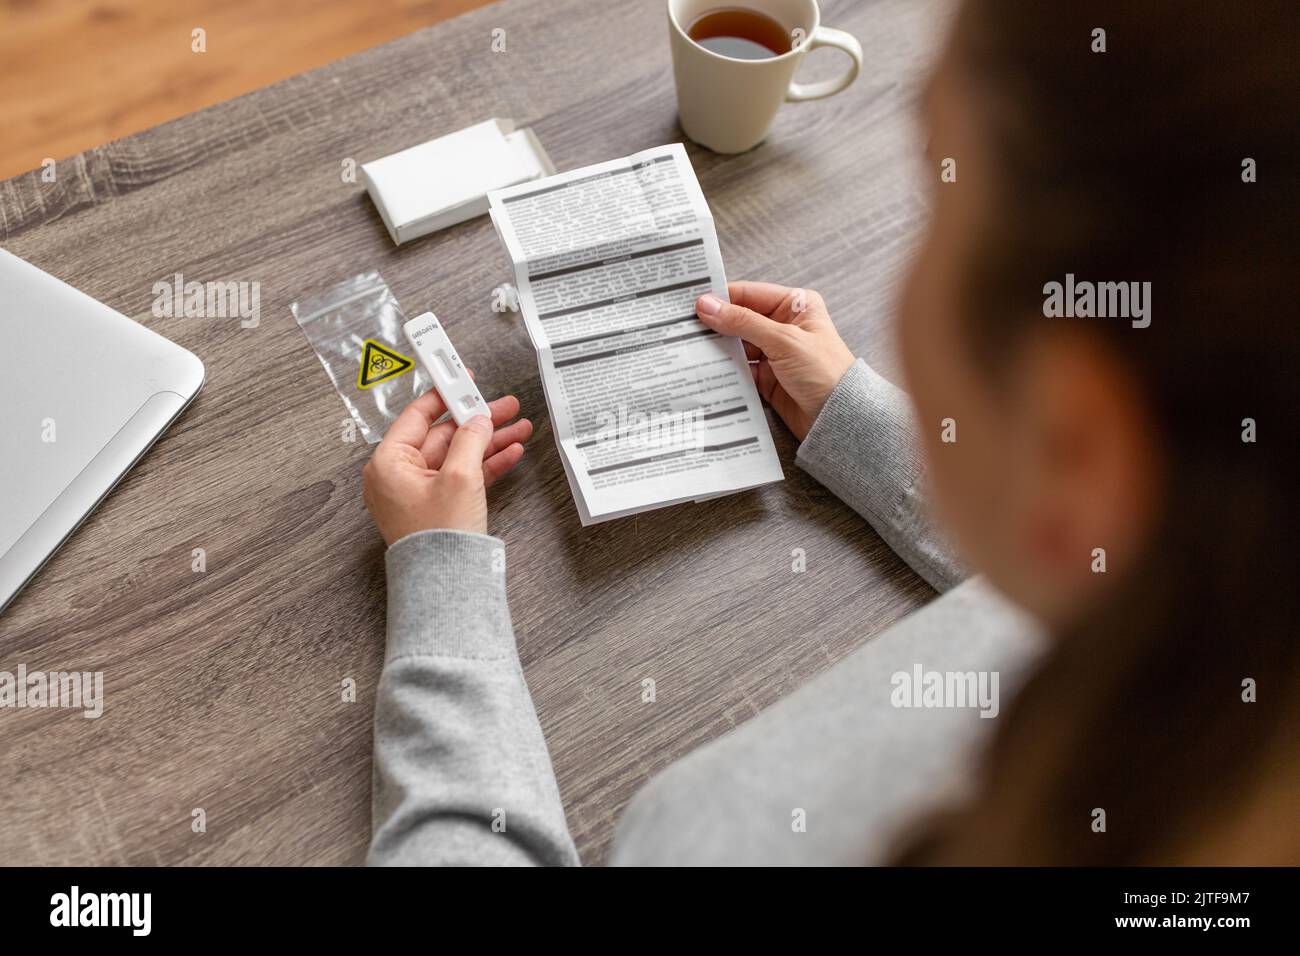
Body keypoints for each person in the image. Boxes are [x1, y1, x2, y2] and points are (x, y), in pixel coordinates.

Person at [362, 0, 1297, 865]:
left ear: (1077, 434)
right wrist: (855, 418)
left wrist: (439, 576)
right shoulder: (1218, 618)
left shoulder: (715, 842)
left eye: (938, 202)